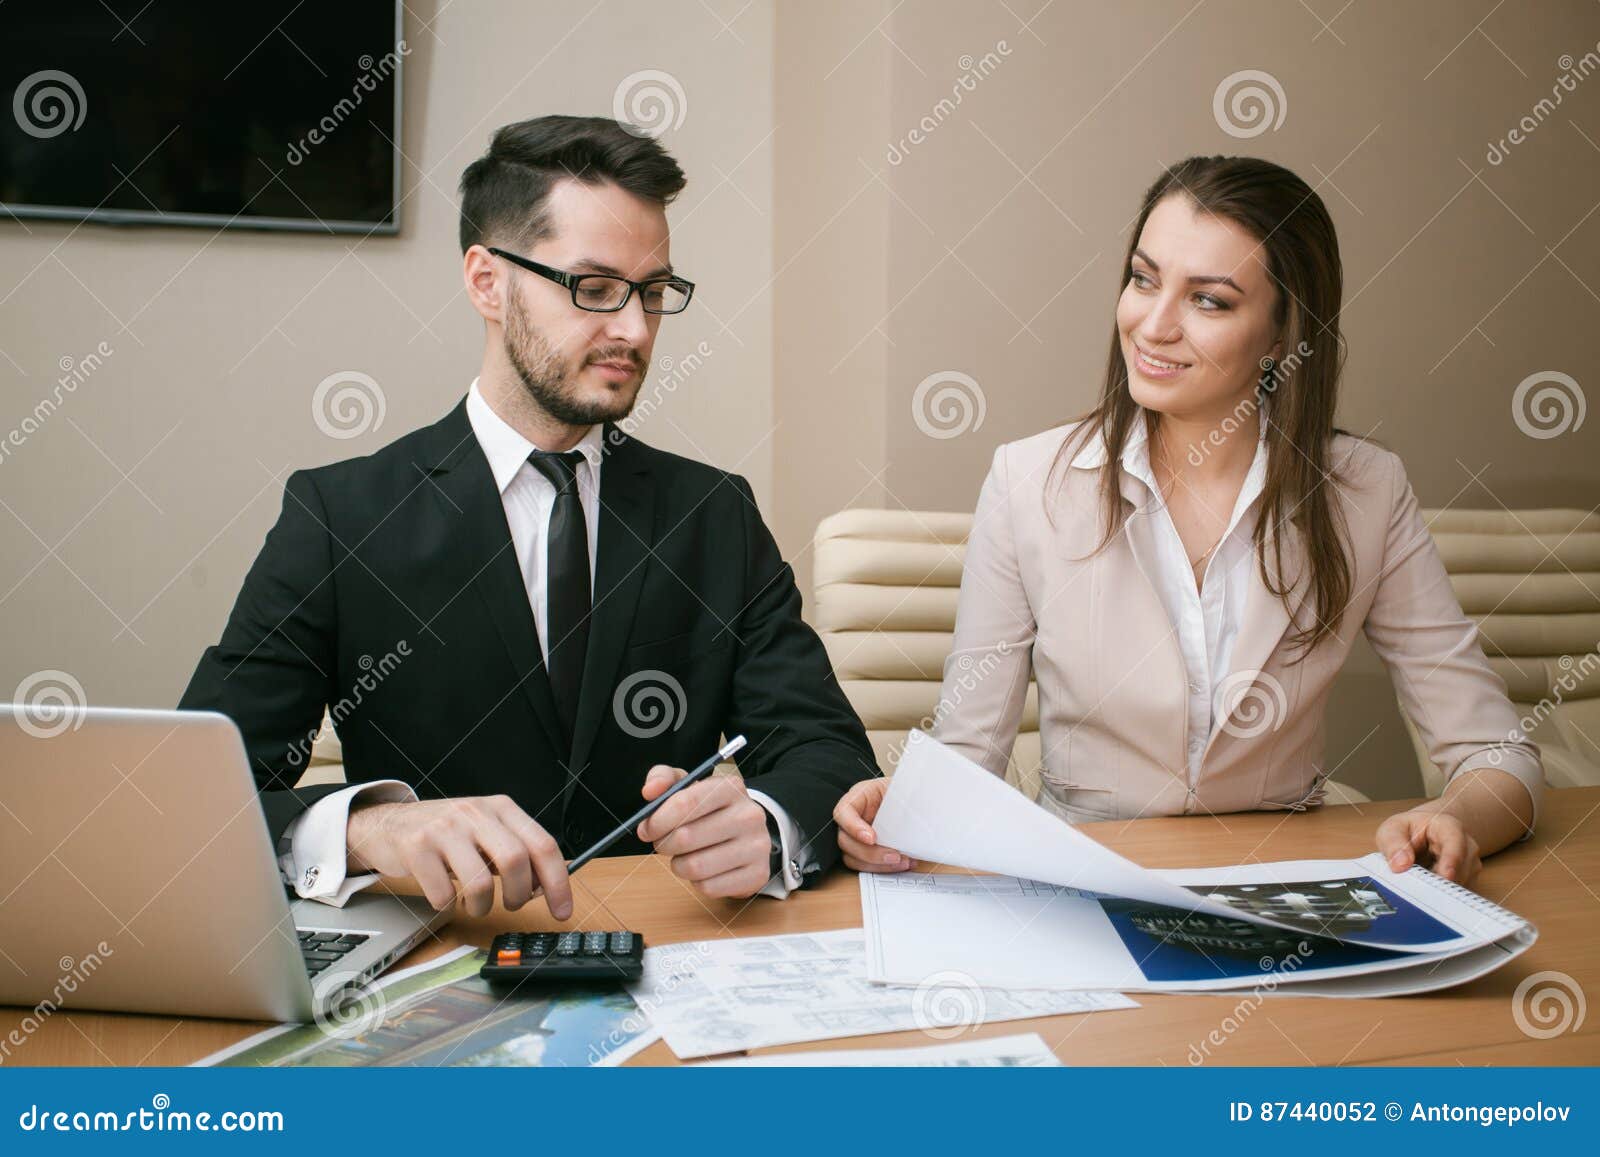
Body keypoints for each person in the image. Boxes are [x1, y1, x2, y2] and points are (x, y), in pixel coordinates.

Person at [182, 115, 877, 918]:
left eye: (653, 293)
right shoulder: (343, 518)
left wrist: (767, 820)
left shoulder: (713, 513)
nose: (635, 328)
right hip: (446, 948)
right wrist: (368, 827)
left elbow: (829, 753)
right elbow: (192, 798)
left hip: (664, 942)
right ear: (488, 281)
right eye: (594, 289)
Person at [835, 155, 1542, 888]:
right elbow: (967, 753)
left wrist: (1455, 817)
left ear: (1282, 335)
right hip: (1085, 884)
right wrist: (901, 808)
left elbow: (1497, 752)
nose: (1152, 325)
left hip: (1279, 888)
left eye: (1208, 300)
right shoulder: (1027, 482)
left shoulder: (1366, 490)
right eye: (1144, 279)